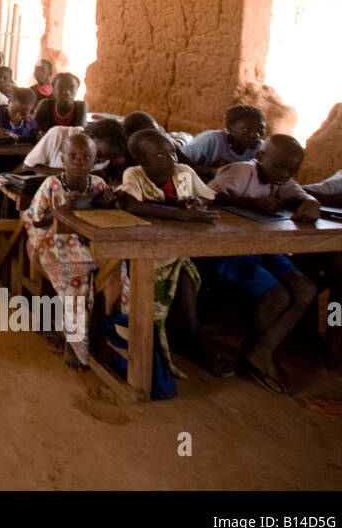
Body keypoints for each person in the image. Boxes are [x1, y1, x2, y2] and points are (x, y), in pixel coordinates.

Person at [202, 135, 319, 393]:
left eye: (291, 170)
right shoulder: (243, 171)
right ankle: (260, 355)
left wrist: (310, 204)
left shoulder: (283, 181)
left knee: (306, 289)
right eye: (279, 167)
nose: (284, 174)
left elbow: (303, 196)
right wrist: (251, 202)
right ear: (261, 157)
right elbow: (205, 196)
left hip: (264, 248)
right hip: (227, 250)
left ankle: (260, 350)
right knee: (277, 294)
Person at [116, 129, 231, 379]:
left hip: (179, 248)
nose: (171, 160)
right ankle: (183, 334)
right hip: (145, 251)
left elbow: (209, 198)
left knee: (190, 277)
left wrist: (196, 204)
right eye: (161, 155)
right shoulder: (134, 174)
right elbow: (131, 204)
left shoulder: (184, 174)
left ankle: (188, 331)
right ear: (142, 159)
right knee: (183, 279)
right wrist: (182, 214)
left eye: (172, 153)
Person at [22, 133, 117, 367]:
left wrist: (107, 202)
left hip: (87, 241)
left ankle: (111, 341)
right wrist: (64, 209)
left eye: (86, 157)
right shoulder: (52, 185)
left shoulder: (97, 184)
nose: (78, 161)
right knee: (76, 278)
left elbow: (106, 218)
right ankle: (75, 341)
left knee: (119, 272)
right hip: (53, 242)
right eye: (72, 156)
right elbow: (37, 221)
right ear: (62, 159)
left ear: (95, 161)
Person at [25, 119, 129, 183]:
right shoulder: (59, 134)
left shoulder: (106, 156)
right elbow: (28, 166)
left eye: (107, 159)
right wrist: (72, 174)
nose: (101, 161)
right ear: (92, 138)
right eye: (100, 154)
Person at [179, 104, 265, 175]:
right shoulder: (212, 140)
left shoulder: (262, 150)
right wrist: (210, 171)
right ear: (229, 127)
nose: (255, 135)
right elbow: (179, 161)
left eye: (260, 130)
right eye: (246, 130)